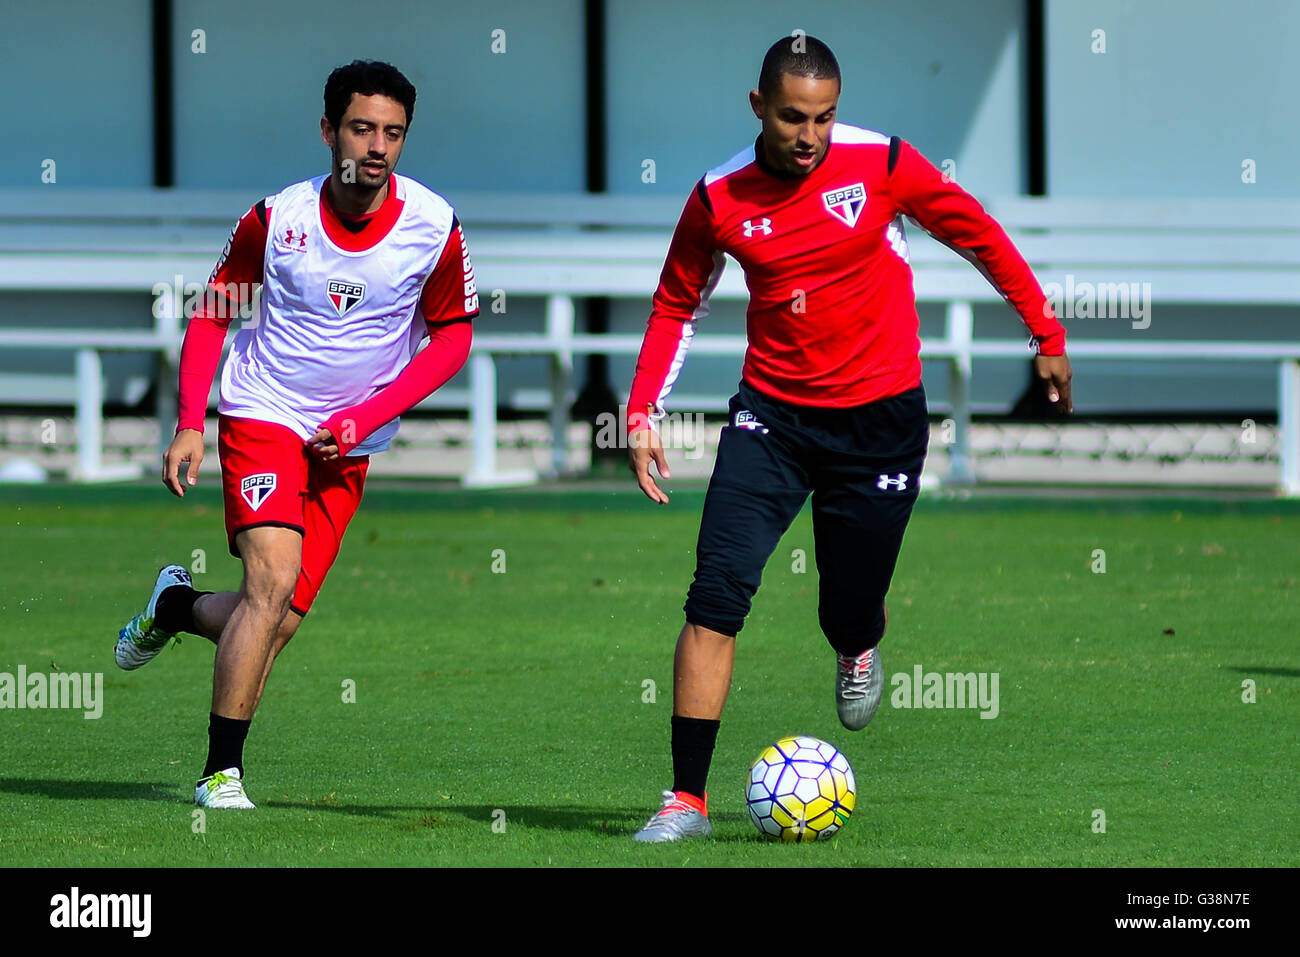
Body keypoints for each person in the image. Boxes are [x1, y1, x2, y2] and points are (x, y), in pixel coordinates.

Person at [627, 36, 1072, 842]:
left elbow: (977, 233)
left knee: (847, 606)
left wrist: (1044, 329)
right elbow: (675, 303)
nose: (810, 135)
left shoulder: (885, 162)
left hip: (881, 423)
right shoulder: (718, 195)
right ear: (758, 105)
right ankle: (685, 800)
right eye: (794, 117)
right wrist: (640, 410)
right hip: (771, 419)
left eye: (825, 117)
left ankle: (857, 643)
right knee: (716, 597)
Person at [115, 60, 479, 809]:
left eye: (392, 132)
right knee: (270, 582)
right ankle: (222, 773)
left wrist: (366, 419)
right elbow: (214, 312)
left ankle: (175, 607)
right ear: (327, 130)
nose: (376, 146)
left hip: (351, 445)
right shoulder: (277, 219)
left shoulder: (433, 227)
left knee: (272, 620)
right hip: (264, 413)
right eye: (360, 128)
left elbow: (451, 339)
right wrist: (189, 423)